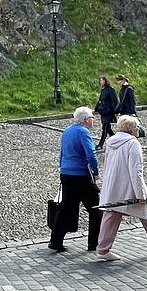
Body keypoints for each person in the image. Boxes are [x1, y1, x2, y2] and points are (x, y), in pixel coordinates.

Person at [94, 114, 147, 261]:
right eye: (137, 127)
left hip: (113, 187)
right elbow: (136, 171)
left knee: (111, 215)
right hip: (128, 188)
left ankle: (102, 250)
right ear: (132, 129)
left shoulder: (111, 142)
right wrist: (141, 194)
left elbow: (108, 166)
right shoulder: (133, 143)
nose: (138, 130)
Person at [49, 106, 102, 253]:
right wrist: (96, 172)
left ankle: (55, 240)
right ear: (86, 119)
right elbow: (91, 154)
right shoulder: (83, 132)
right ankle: (94, 243)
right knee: (95, 209)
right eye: (92, 117)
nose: (93, 119)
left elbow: (62, 152)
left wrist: (61, 167)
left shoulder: (67, 131)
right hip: (81, 175)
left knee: (65, 208)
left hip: (66, 173)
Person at [93, 76, 119, 149]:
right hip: (103, 111)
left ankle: (100, 144)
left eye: (102, 81)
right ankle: (117, 141)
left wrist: (113, 110)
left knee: (105, 128)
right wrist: (96, 108)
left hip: (109, 112)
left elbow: (115, 101)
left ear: (106, 81)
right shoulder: (103, 90)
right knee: (107, 128)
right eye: (100, 81)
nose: (101, 82)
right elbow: (100, 101)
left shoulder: (110, 89)